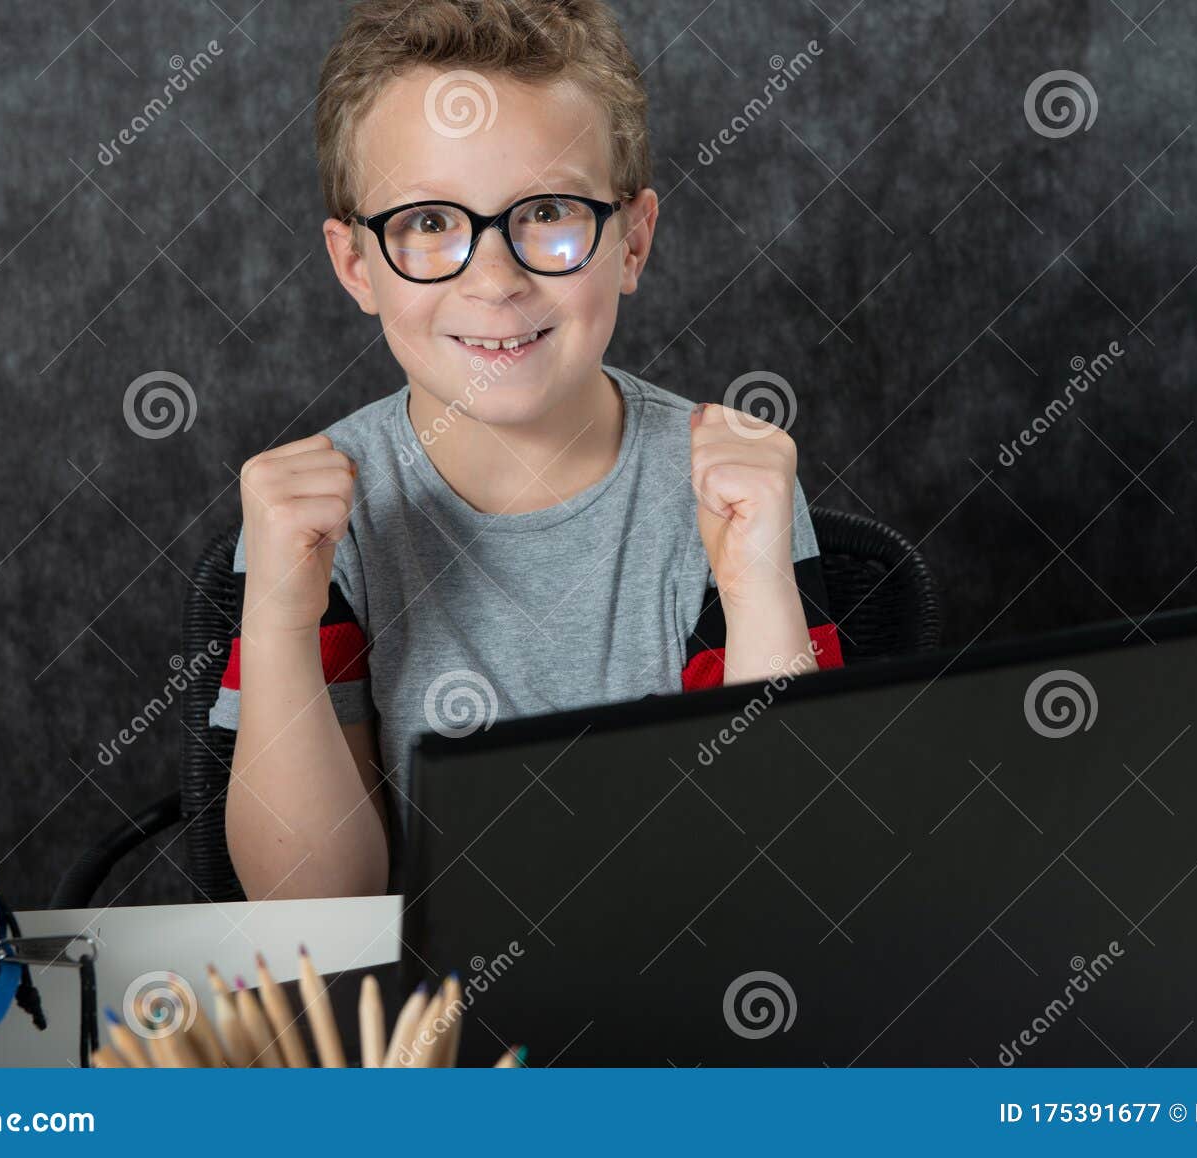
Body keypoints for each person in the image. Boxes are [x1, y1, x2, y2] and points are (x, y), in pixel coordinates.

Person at [213, 0, 845, 900]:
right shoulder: (319, 524)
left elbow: (784, 874)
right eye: (429, 223)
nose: (495, 279)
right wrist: (277, 621)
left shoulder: (732, 494)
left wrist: (756, 592)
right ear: (357, 265)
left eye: (547, 211)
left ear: (632, 241)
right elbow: (314, 907)